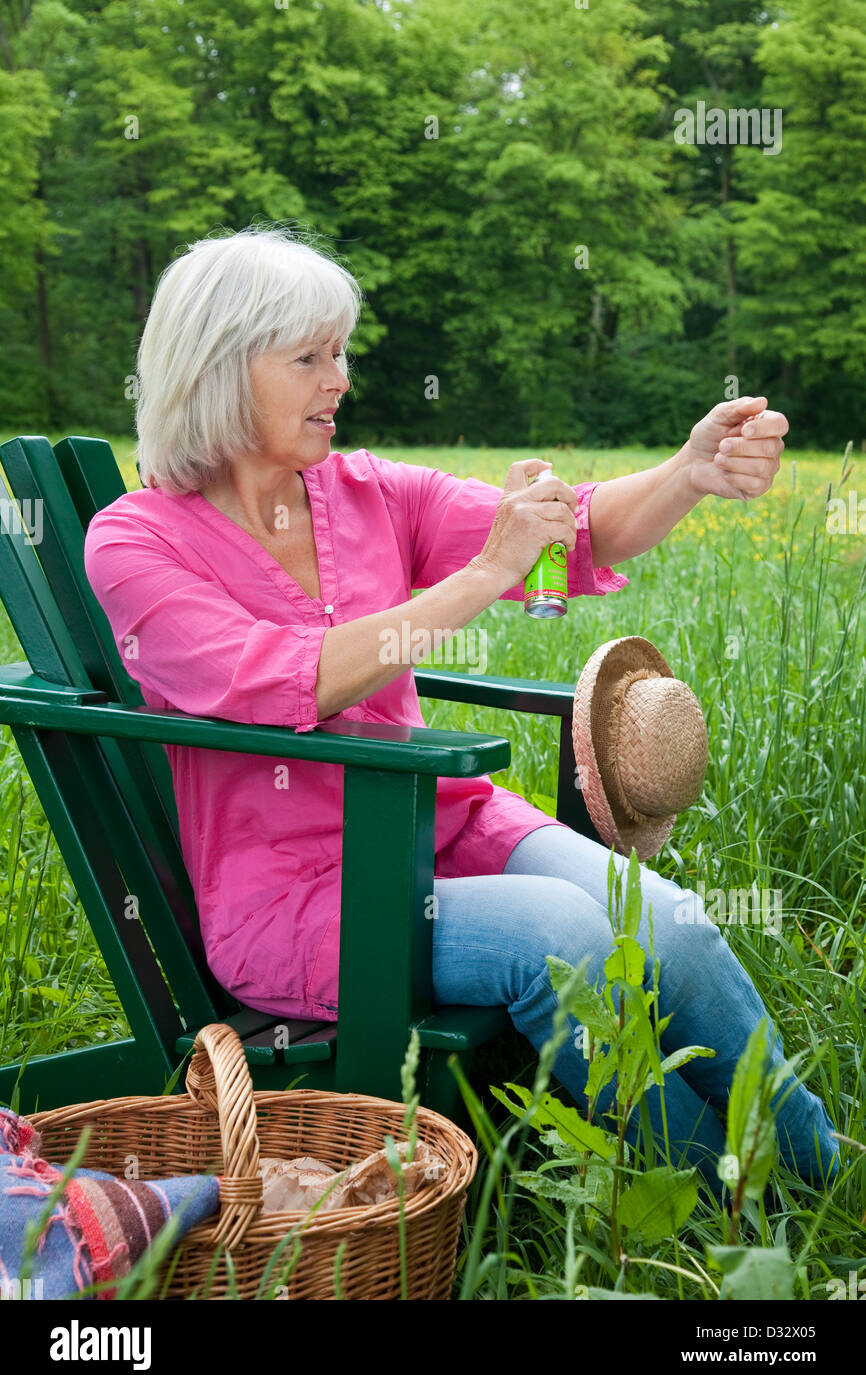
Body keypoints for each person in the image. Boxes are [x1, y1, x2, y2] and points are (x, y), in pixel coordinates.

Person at [83, 224, 839, 1197]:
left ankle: (817, 1166)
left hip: (444, 825)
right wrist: (483, 573)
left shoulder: (365, 492)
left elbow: (574, 530)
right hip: (295, 896)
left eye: (340, 351)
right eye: (308, 357)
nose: (339, 378)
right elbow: (282, 680)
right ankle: (744, 1194)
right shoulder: (135, 543)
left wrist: (686, 471)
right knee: (564, 940)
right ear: (221, 370)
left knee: (675, 927)